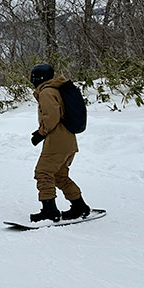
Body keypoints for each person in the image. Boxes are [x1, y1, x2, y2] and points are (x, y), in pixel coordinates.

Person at [29, 63, 91, 222]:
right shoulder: (56, 89)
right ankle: (79, 206)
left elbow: (51, 117)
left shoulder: (47, 92)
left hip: (57, 140)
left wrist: (40, 133)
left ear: (38, 78)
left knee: (43, 173)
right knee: (59, 175)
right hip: (68, 140)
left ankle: (49, 211)